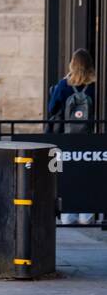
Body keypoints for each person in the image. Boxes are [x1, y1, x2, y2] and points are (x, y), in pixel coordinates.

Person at [48, 48, 98, 225]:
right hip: (91, 139)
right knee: (89, 175)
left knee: (67, 175)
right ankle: (87, 215)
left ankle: (68, 215)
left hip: (66, 138)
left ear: (72, 64)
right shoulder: (95, 85)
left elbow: (52, 109)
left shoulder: (64, 85)